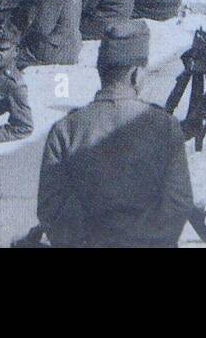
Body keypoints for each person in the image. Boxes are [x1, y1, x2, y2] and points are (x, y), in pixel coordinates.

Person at [36, 18, 193, 248]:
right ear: (136, 74)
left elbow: (51, 209)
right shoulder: (165, 127)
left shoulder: (65, 130)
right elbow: (178, 203)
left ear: (101, 70)